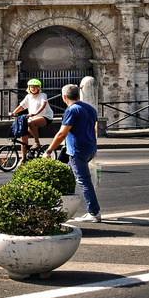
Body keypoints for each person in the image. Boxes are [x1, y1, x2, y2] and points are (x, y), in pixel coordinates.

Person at [46, 83, 101, 222]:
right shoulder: (90, 108)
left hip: (77, 149)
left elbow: (61, 134)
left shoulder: (72, 110)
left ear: (64, 97)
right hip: (90, 148)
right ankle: (63, 209)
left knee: (84, 181)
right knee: (69, 177)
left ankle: (94, 213)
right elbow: (95, 130)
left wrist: (49, 150)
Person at [17, 79, 53, 159]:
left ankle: (37, 142)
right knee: (24, 137)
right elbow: (21, 106)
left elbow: (43, 105)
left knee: (31, 123)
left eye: (35, 87)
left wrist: (35, 113)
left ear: (38, 88)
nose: (33, 89)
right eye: (31, 87)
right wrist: (13, 113)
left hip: (45, 117)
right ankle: (23, 159)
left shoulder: (42, 95)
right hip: (33, 119)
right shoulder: (28, 97)